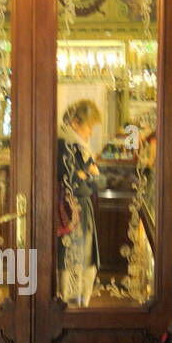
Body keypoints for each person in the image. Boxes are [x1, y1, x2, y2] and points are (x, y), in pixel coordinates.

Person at [57, 99, 103, 307]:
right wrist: (87, 175)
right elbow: (81, 181)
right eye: (89, 126)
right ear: (75, 123)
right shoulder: (71, 145)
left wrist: (87, 175)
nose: (91, 132)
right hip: (74, 209)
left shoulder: (69, 143)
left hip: (71, 207)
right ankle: (75, 305)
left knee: (73, 255)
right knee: (78, 256)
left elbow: (96, 179)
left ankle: (71, 302)